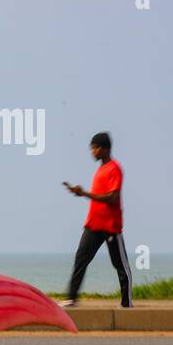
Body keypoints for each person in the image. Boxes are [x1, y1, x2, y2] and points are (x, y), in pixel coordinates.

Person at [60, 131, 131, 307]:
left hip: (110, 225)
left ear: (105, 149)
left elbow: (112, 197)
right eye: (92, 148)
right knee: (81, 259)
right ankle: (72, 297)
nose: (92, 151)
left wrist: (84, 193)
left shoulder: (114, 168)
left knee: (120, 265)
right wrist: (81, 193)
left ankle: (126, 303)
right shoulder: (101, 170)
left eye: (95, 148)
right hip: (93, 224)